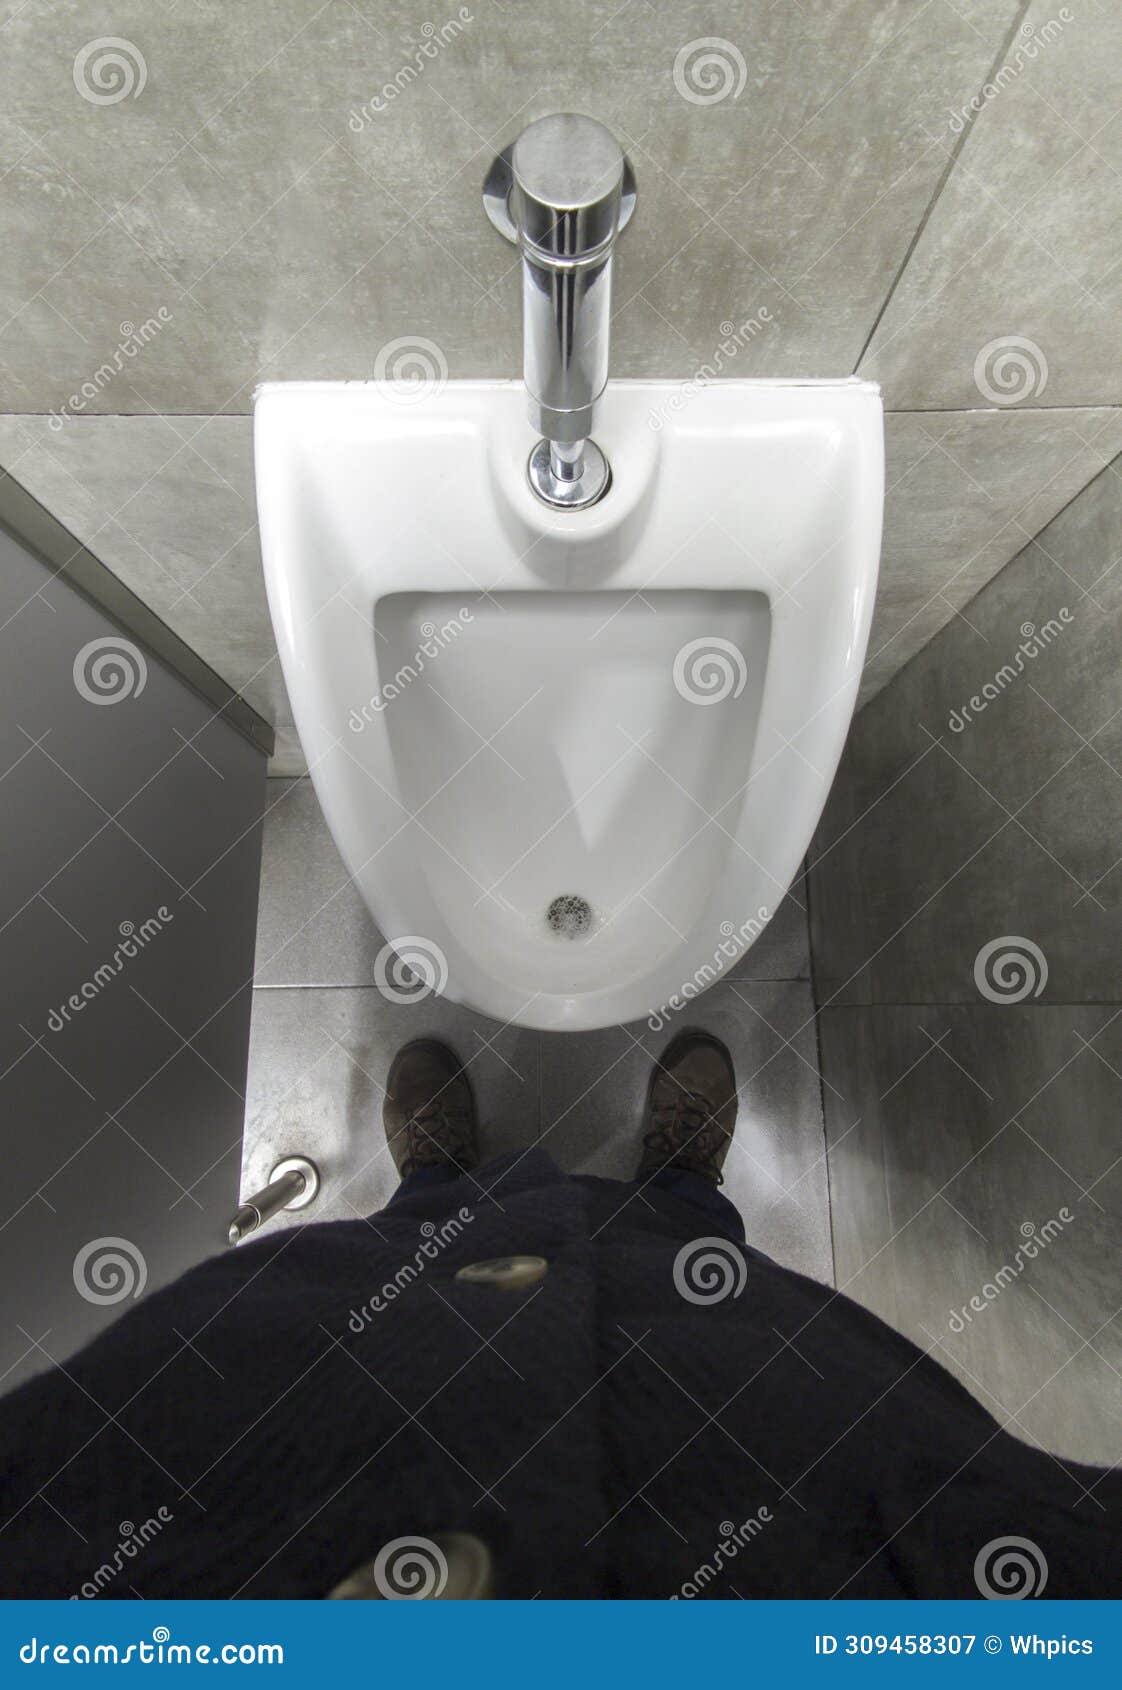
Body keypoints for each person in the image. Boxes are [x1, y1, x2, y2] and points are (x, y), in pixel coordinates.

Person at [0, 1031, 1118, 1600]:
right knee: (702, 1286)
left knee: (380, 1276)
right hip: (804, 1519)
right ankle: (677, 1193)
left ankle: (433, 1192)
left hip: (213, 1490)